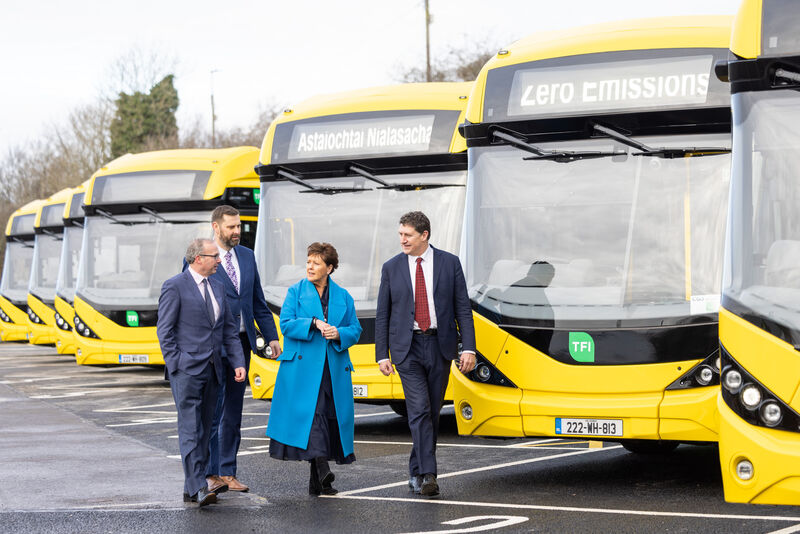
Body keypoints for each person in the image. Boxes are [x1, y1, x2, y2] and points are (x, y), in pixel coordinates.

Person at [375, 211, 476, 498]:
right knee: (418, 410)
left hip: (440, 346)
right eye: (400, 234)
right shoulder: (391, 267)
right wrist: (382, 353)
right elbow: (384, 314)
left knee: (431, 412)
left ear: (424, 235)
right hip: (406, 349)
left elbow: (462, 310)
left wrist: (467, 347)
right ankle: (429, 474)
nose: (402, 240)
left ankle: (415, 469)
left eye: (407, 235)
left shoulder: (449, 263)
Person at [267, 242, 362, 495]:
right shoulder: (295, 292)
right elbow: (285, 324)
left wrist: (338, 332)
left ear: (329, 268)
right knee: (315, 414)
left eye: (316, 263)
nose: (309, 266)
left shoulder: (343, 296)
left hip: (333, 367)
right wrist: (313, 323)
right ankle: (322, 469)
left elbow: (356, 330)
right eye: (308, 261)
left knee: (326, 416)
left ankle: (317, 481)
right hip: (302, 369)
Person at [157, 238, 246, 507]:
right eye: (214, 256)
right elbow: (165, 331)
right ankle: (198, 486)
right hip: (186, 371)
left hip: (215, 370)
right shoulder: (174, 286)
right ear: (198, 259)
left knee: (206, 430)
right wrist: (177, 364)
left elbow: (229, 330)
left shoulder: (218, 287)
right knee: (191, 428)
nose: (220, 261)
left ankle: (191, 487)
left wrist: (238, 362)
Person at [203, 205, 281, 494]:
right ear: (216, 227)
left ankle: (228, 472)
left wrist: (271, 336)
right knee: (212, 412)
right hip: (211, 348)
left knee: (233, 412)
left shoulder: (247, 257)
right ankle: (209, 475)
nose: (237, 231)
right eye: (231, 227)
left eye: (238, 227)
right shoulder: (201, 257)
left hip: (242, 346)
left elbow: (257, 301)